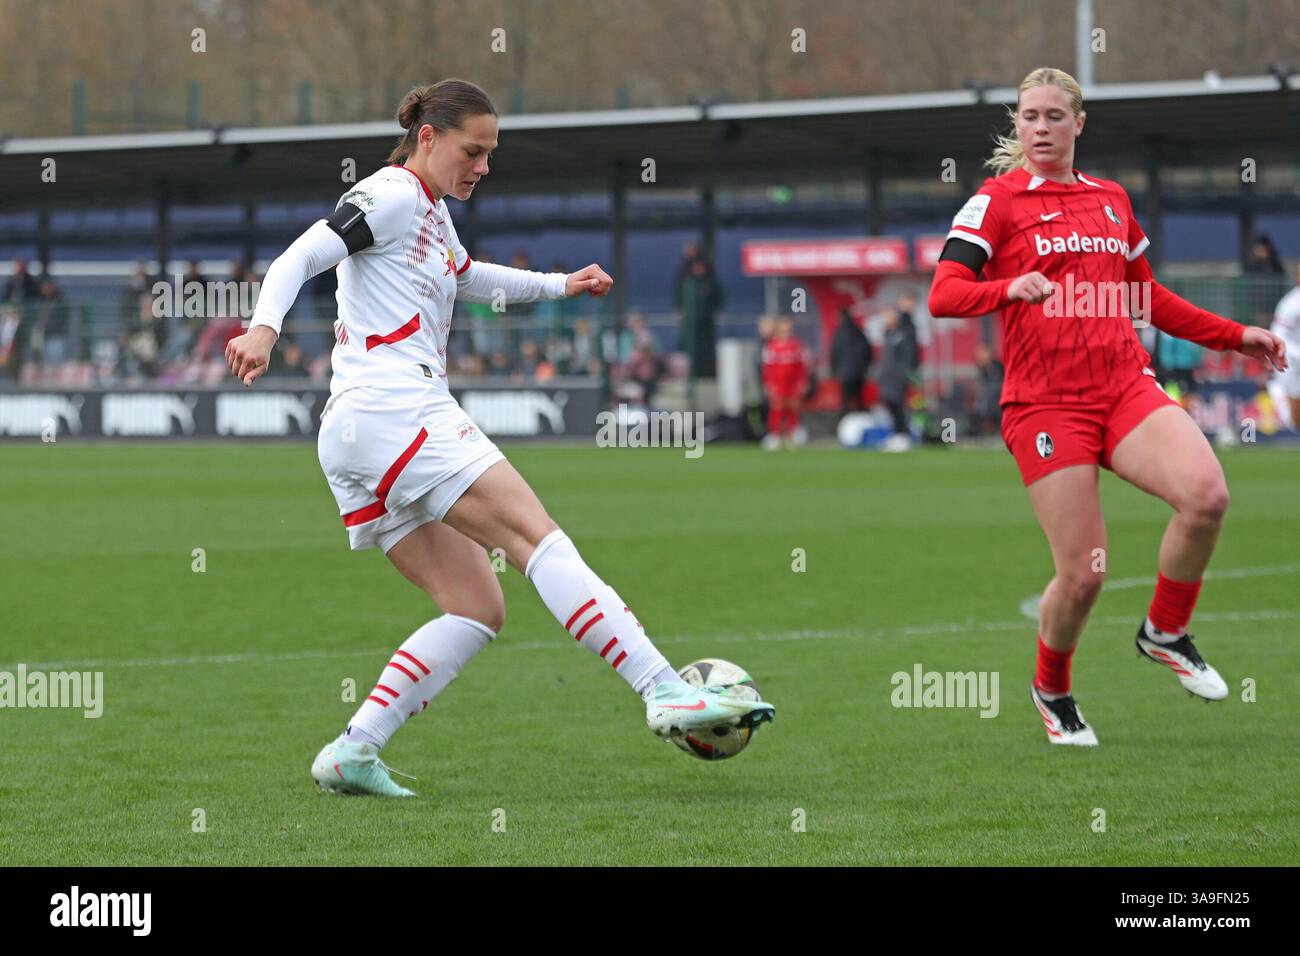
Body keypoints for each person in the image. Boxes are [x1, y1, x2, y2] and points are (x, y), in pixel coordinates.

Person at [223, 78, 774, 796]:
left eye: (490, 154)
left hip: (361, 430)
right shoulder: (389, 193)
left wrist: (560, 285)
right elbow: (302, 254)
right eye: (472, 150)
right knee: (534, 536)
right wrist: (264, 328)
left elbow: (468, 277)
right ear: (428, 138)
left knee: (478, 605)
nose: (482, 166)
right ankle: (662, 687)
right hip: (395, 409)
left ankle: (354, 750)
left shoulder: (430, 213)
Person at [927, 67, 1287, 746]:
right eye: (1029, 117)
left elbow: (1147, 299)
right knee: (1085, 574)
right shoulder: (995, 201)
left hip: (1124, 388)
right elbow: (943, 294)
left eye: (1053, 117)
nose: (1039, 128)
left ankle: (1165, 631)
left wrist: (1238, 336)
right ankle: (1052, 687)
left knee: (1208, 496)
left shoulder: (1112, 200)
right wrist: (1007, 289)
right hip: (1044, 407)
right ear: (1017, 126)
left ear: (1078, 124)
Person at [761, 316, 808, 449]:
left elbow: (801, 366)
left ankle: (792, 436)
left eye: (788, 330)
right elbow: (767, 368)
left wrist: (802, 381)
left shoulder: (796, 346)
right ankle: (774, 436)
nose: (786, 333)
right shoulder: (771, 347)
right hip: (778, 385)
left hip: (792, 385)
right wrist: (768, 383)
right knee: (776, 410)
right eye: (783, 330)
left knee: (792, 409)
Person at [1268, 263, 1300, 430]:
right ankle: (1276, 390)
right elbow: (1278, 333)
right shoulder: (1291, 303)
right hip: (1294, 364)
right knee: (1295, 421)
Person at [830, 308, 872, 414]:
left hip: (845, 373)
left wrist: (834, 370)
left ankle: (845, 423)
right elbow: (867, 351)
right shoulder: (859, 332)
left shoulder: (839, 334)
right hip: (859, 373)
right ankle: (862, 422)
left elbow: (835, 353)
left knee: (846, 401)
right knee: (859, 399)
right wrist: (865, 367)